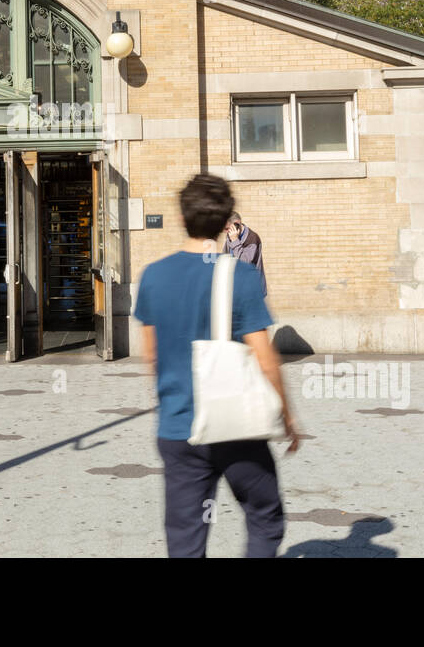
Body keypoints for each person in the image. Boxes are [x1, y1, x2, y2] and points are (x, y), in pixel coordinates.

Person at [134, 173, 300, 558]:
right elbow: (265, 357)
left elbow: (152, 357)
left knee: (186, 535)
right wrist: (287, 417)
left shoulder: (154, 276)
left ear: (181, 218)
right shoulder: (240, 276)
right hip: (235, 427)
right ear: (227, 221)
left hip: (179, 429)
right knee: (264, 515)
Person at [224, 212, 267, 296]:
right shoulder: (230, 236)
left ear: (237, 224)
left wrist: (235, 241)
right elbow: (225, 254)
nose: (226, 231)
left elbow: (245, 262)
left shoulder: (252, 238)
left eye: (227, 228)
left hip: (252, 289)